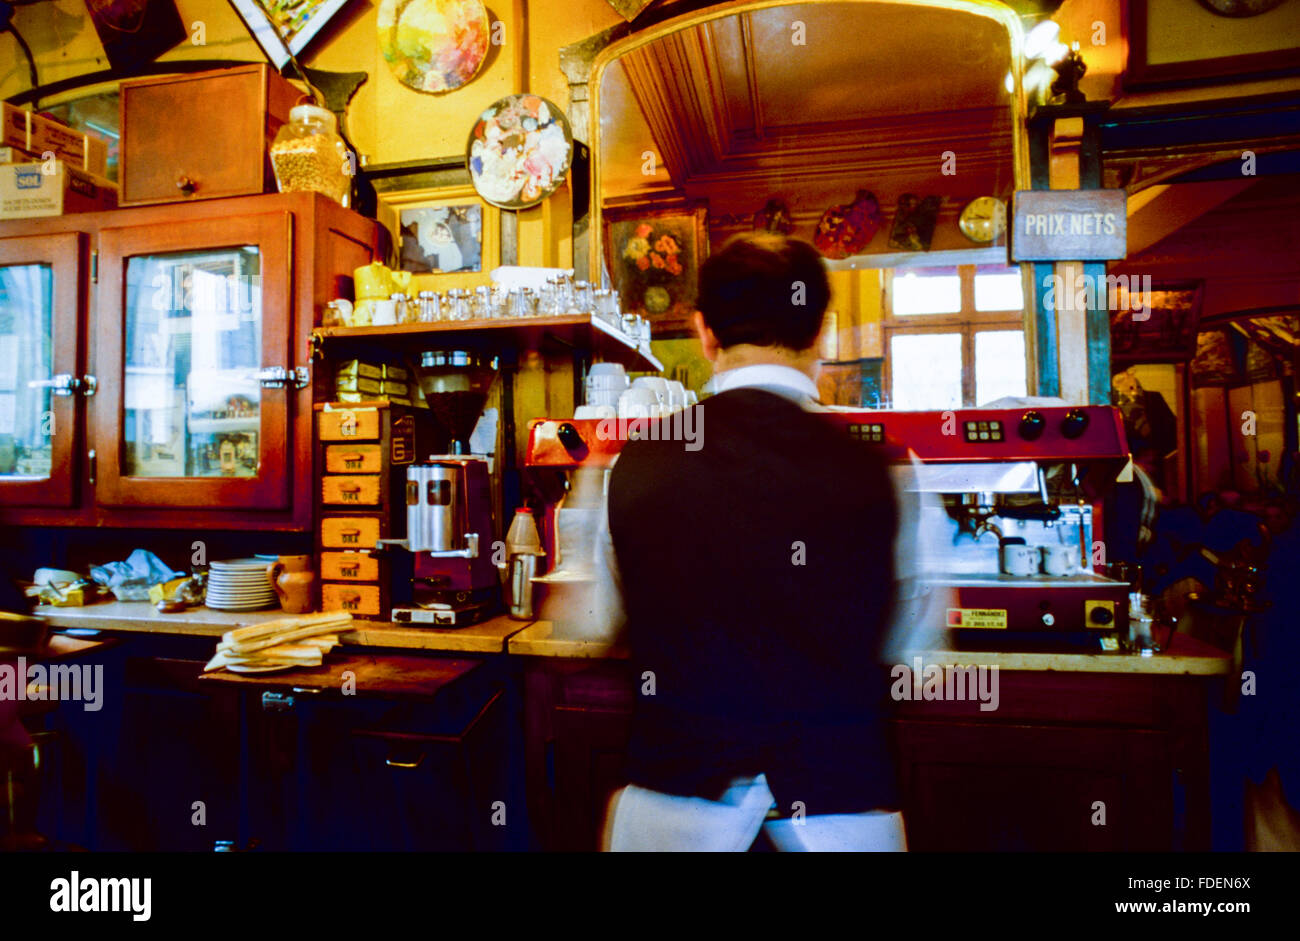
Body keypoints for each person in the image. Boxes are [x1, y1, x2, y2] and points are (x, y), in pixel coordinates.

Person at [596, 233, 940, 851]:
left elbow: (590, 622)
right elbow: (916, 654)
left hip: (675, 809)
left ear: (703, 332)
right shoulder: (889, 468)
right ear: (822, 333)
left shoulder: (632, 462)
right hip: (843, 810)